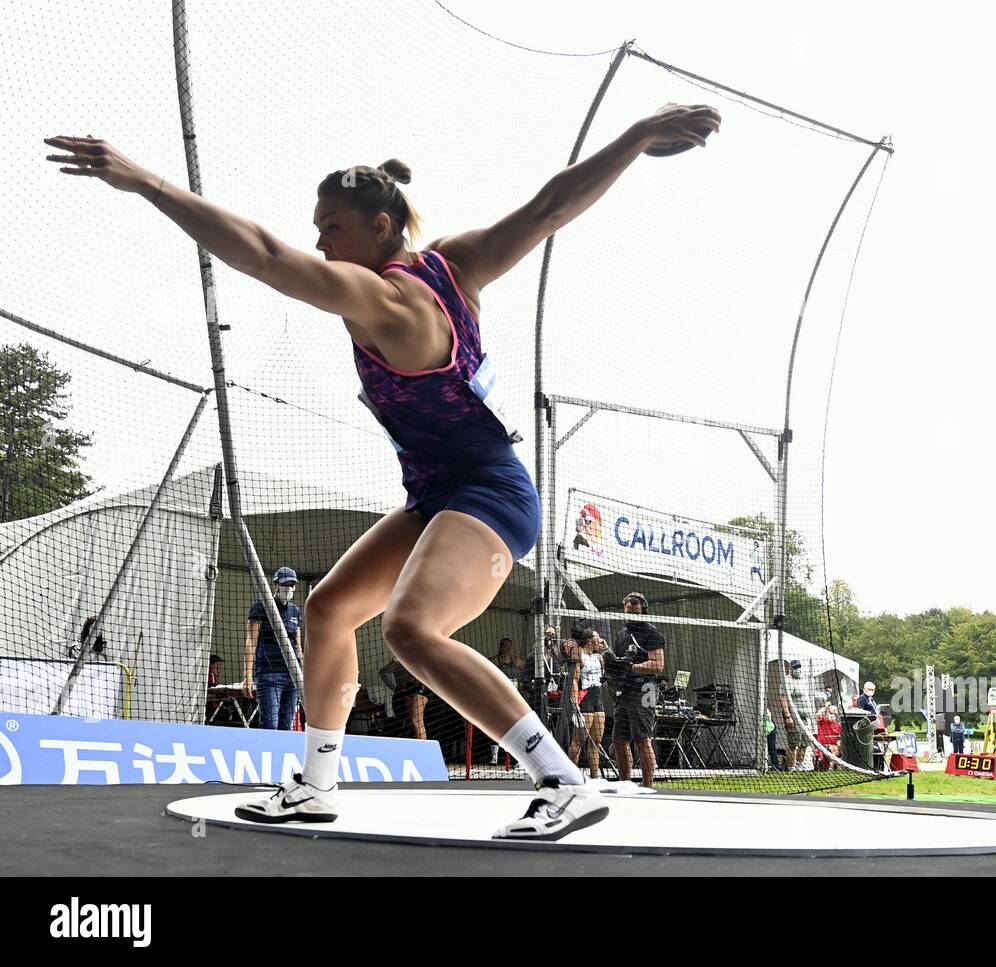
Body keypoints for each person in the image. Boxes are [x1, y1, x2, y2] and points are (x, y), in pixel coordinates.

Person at [45, 103, 722, 838]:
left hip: (489, 495)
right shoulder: (453, 264)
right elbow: (550, 205)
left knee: (410, 629)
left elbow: (265, 258)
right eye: (317, 227)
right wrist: (637, 136)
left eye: (330, 226)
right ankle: (316, 782)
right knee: (329, 609)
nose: (318, 241)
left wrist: (145, 180)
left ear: (378, 227)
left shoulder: (388, 299)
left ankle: (562, 779)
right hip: (435, 495)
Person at [606, 592, 666, 788]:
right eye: (628, 610)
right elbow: (618, 664)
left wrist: (632, 668)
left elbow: (658, 665)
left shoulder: (652, 633)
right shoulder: (622, 635)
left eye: (635, 610)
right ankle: (625, 783)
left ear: (643, 610)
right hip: (625, 690)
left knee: (642, 738)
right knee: (618, 739)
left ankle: (647, 785)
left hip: (644, 689)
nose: (631, 613)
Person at [243, 567, 303, 731]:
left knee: (286, 725)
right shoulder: (261, 607)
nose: (289, 588)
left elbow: (297, 645)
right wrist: (248, 676)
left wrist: (302, 673)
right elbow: (251, 642)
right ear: (275, 584)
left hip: (292, 676)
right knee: (270, 725)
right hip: (269, 674)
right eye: (285, 584)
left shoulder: (295, 611)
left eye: (292, 584)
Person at [567, 629, 607, 779]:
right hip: (585, 698)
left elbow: (611, 665)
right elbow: (574, 680)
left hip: (598, 698)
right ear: (589, 640)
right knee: (579, 739)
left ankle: (595, 776)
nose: (600, 640)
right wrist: (575, 703)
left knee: (596, 741)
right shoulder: (580, 655)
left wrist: (606, 648)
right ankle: (571, 775)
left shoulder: (599, 657)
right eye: (597, 638)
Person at [779, 660, 816, 771]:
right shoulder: (787, 681)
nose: (798, 669)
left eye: (799, 667)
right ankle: (791, 769)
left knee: (804, 744)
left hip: (804, 718)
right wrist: (788, 716)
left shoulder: (802, 680)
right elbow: (783, 698)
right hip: (794, 718)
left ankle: (799, 767)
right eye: (795, 667)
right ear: (790, 669)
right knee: (793, 744)